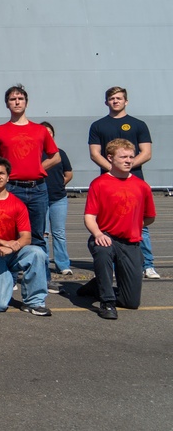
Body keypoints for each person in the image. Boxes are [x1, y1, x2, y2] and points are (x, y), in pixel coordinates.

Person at [0, 85, 60, 289]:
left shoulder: (40, 130)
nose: (17, 102)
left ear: (26, 102)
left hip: (37, 189)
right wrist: (0, 173)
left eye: (20, 98)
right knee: (10, 235)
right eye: (12, 99)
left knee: (38, 236)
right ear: (7, 104)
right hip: (12, 188)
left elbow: (55, 156)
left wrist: (38, 168)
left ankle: (43, 280)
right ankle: (11, 277)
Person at [87, 87, 158, 279]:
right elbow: (94, 153)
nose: (115, 101)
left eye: (119, 98)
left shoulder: (138, 125)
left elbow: (146, 153)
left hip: (135, 181)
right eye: (111, 98)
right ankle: (113, 265)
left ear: (126, 101)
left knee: (140, 223)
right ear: (106, 102)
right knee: (109, 223)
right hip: (109, 184)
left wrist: (126, 167)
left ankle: (147, 264)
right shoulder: (98, 126)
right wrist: (114, 170)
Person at [81, 139, 156, 319]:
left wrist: (134, 225)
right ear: (110, 158)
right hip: (106, 237)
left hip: (130, 242)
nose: (128, 160)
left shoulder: (142, 186)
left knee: (131, 302)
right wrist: (98, 234)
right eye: (123, 157)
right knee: (103, 250)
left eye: (131, 157)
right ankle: (107, 303)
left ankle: (96, 286)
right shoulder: (99, 184)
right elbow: (89, 217)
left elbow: (150, 217)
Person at [0, 156, 51, 316]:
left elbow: (26, 237)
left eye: (1, 173)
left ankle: (34, 302)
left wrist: (12, 248)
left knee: (37, 252)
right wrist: (3, 243)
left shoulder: (18, 204)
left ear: (8, 177)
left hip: (10, 254)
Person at [42, 122, 73, 277]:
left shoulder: (60, 153)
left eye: (49, 132)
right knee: (43, 234)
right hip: (41, 199)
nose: (47, 134)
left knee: (59, 233)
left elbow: (68, 174)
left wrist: (60, 184)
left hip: (58, 199)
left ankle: (63, 265)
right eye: (44, 132)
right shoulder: (35, 153)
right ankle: (43, 264)